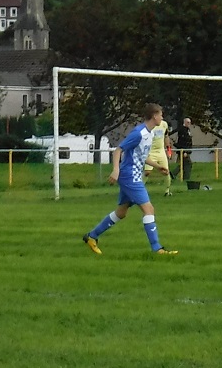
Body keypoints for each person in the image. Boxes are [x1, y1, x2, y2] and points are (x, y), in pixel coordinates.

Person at [82, 103, 178, 256]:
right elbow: (119, 150)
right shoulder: (138, 133)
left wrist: (157, 166)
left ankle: (91, 236)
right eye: (161, 114)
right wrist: (115, 170)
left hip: (132, 175)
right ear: (154, 116)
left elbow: (142, 156)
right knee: (149, 210)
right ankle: (157, 249)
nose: (162, 117)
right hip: (130, 176)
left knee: (121, 213)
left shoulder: (150, 133)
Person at [144, 114, 173, 197]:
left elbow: (166, 137)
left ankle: (167, 191)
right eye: (160, 115)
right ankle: (139, 190)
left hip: (160, 151)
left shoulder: (164, 124)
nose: (162, 117)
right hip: (150, 151)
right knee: (147, 172)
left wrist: (169, 150)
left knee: (166, 171)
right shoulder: (148, 125)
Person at [172, 116, 197, 191]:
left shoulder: (187, 130)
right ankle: (184, 177)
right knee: (188, 163)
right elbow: (183, 141)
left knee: (184, 164)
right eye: (188, 122)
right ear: (185, 122)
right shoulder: (182, 130)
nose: (189, 124)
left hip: (186, 150)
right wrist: (185, 151)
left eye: (190, 122)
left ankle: (174, 174)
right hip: (184, 151)